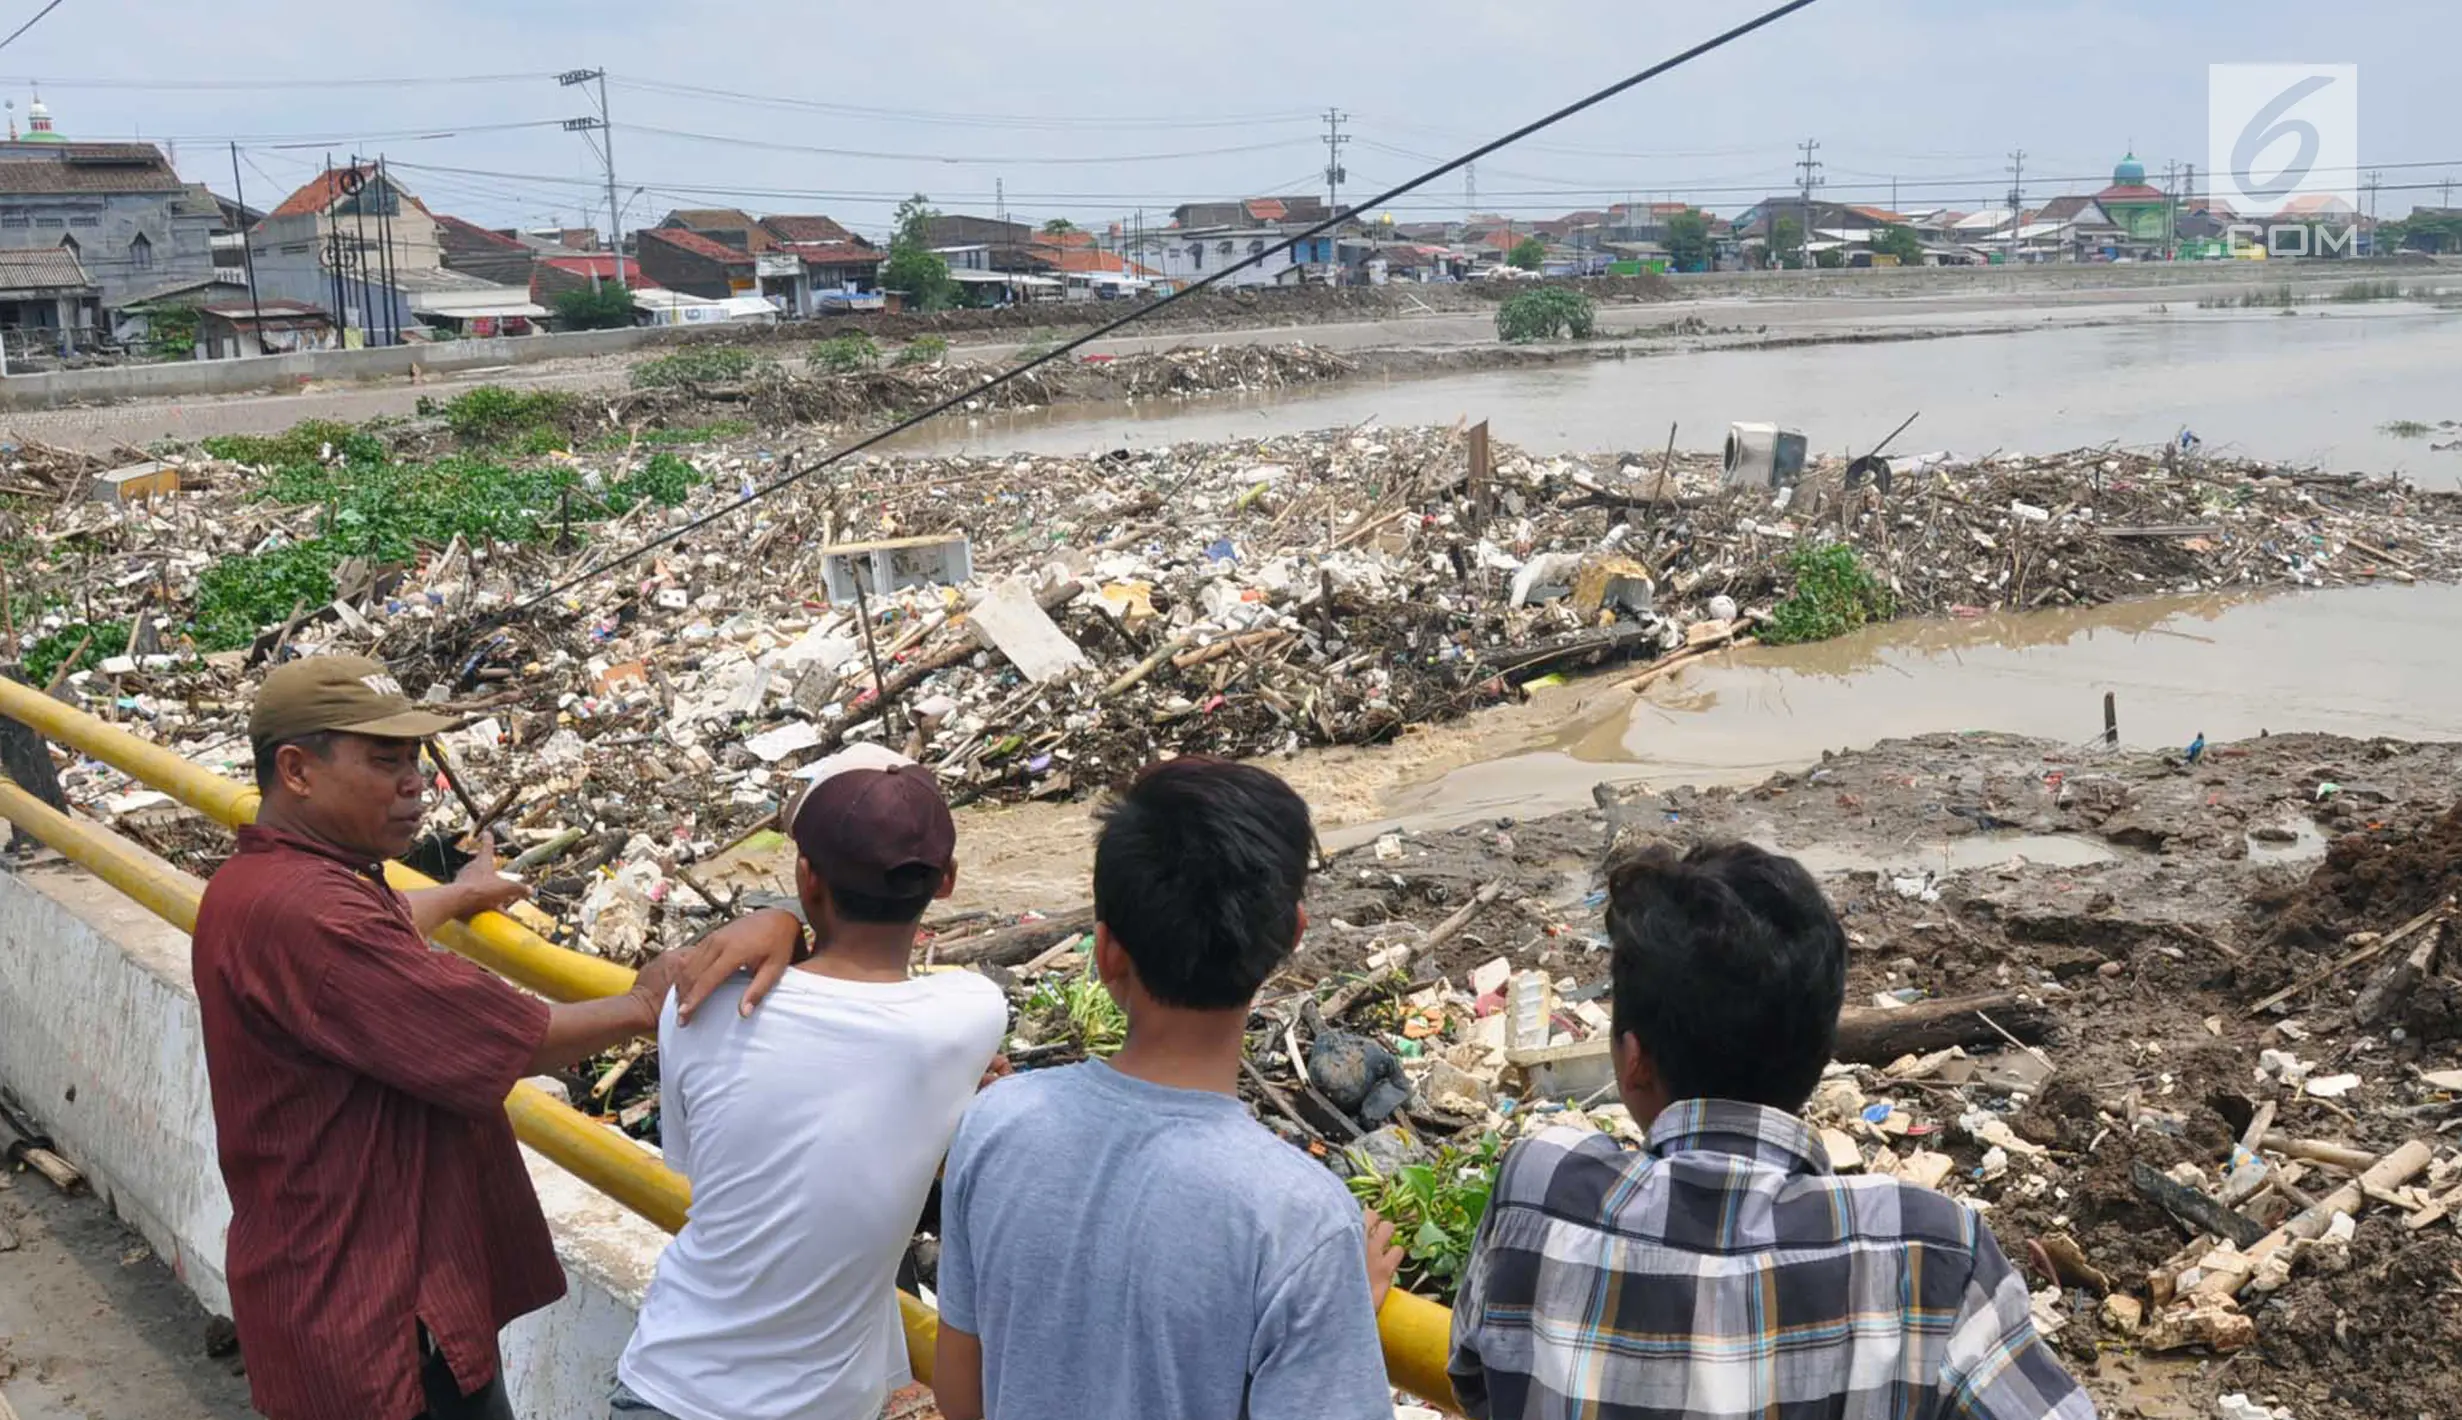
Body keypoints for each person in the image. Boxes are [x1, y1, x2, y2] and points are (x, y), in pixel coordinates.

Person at [193, 655, 802, 1420]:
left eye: (414, 760)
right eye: (385, 761)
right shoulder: (312, 913)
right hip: (376, 1311)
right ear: (298, 770)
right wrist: (645, 999)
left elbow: (372, 941)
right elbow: (508, 1035)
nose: (414, 783)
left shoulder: (260, 885)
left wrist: (453, 896)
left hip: (323, 1278)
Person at [1448, 841, 2095, 1420]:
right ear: (1820, 1055)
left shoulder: (1541, 1187)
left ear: (1633, 1058)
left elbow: (1478, 1385)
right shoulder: (1931, 1253)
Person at [932, 757, 1402, 1420]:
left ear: (1105, 952)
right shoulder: (1303, 1223)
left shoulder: (995, 1124)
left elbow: (961, 1399)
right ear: (1291, 936)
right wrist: (1334, 1314)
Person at [611, 745, 1010, 1420]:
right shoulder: (969, 1015)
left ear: (806, 875)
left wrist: (781, 922)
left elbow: (697, 1173)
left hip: (668, 1385)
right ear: (945, 881)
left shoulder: (697, 1008)